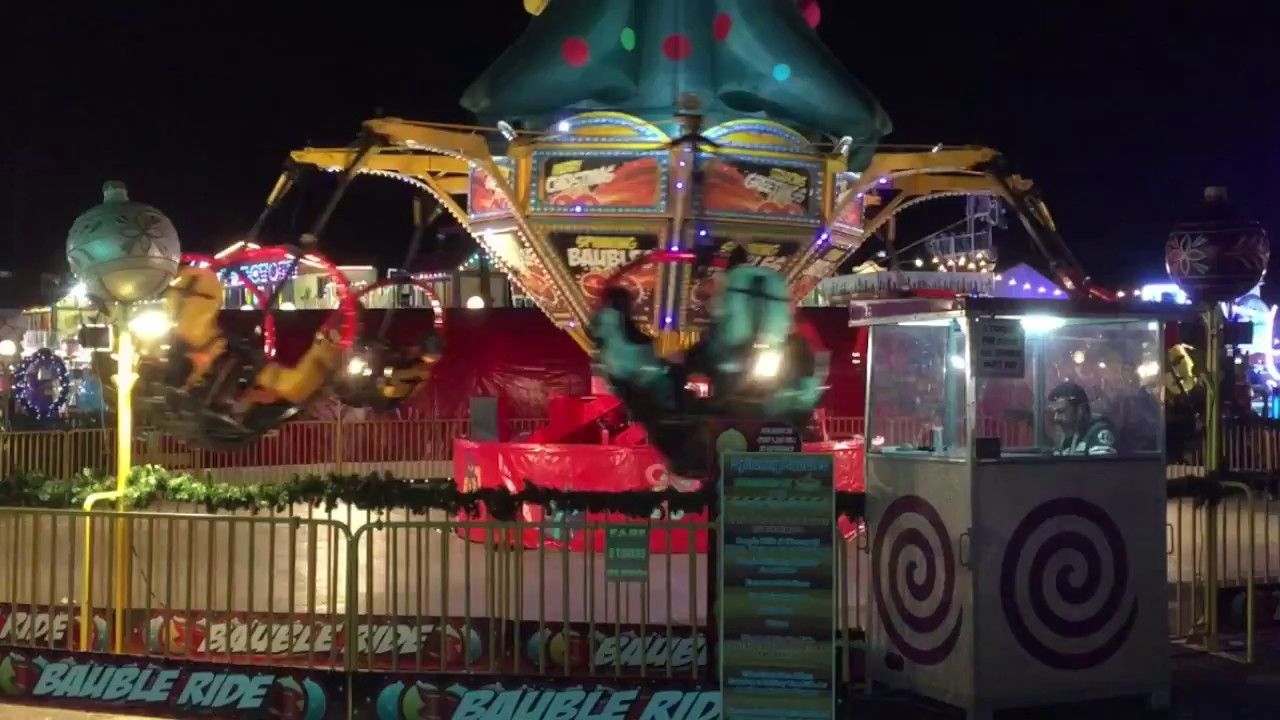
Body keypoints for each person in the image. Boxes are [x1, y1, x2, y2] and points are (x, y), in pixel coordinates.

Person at [1048, 381, 1118, 456]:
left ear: (1080, 409)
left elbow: (1102, 463)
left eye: (1061, 412)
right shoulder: (1063, 436)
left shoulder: (1099, 432)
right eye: (1054, 413)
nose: (1056, 418)